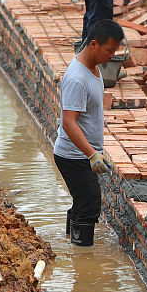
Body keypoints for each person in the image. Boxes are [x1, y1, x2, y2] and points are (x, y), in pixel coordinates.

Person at [53, 18, 124, 247]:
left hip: (82, 154)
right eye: (109, 50)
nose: (112, 56)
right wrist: (92, 154)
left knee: (83, 203)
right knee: (89, 206)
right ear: (94, 44)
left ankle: (70, 245)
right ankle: (81, 257)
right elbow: (68, 122)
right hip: (74, 156)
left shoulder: (93, 67)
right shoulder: (77, 78)